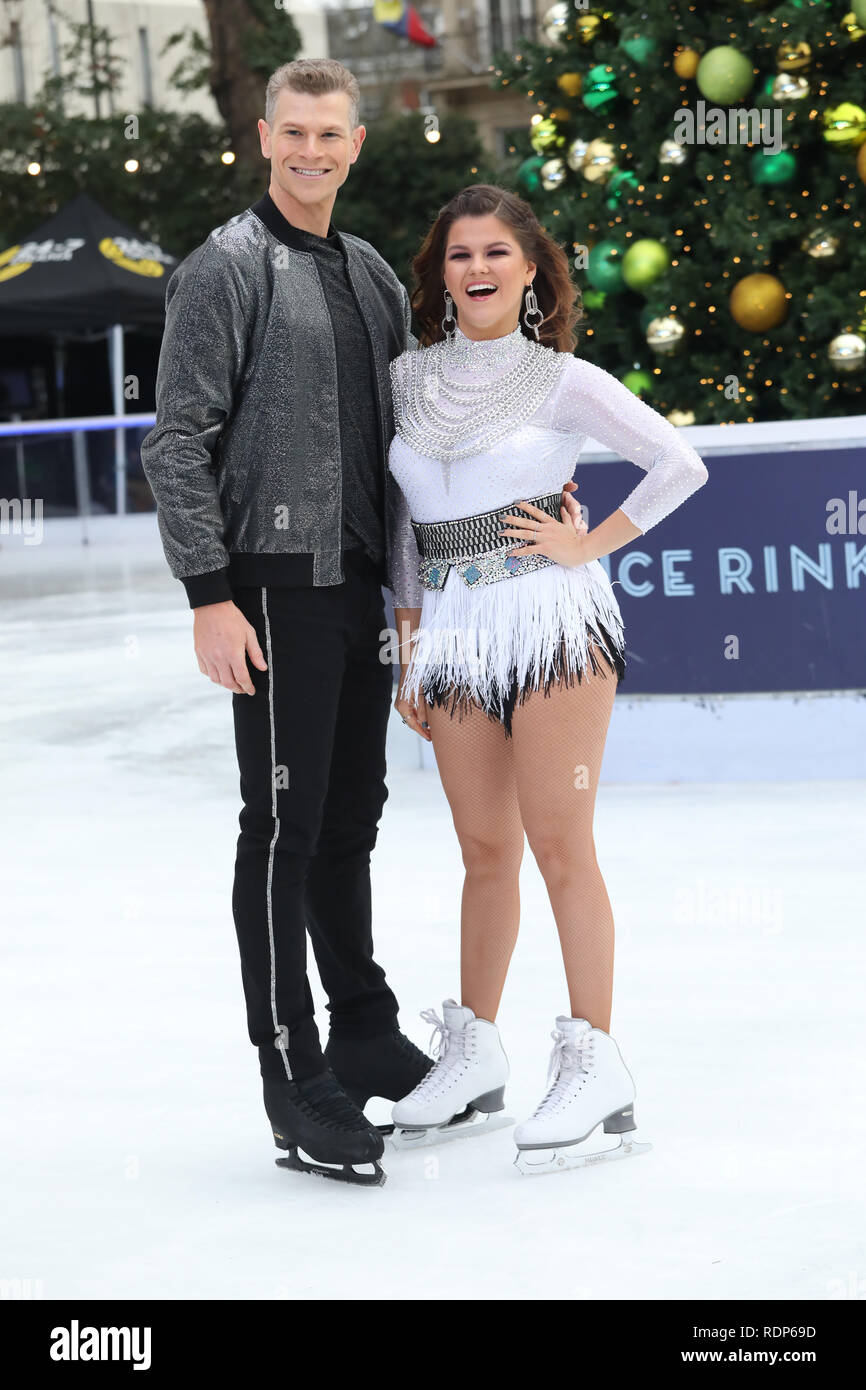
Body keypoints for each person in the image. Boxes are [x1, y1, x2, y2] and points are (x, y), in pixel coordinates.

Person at [140, 60, 587, 1186]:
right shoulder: (224, 270)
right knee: (283, 831)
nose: (310, 151)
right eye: (292, 132)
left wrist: (506, 523)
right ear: (263, 137)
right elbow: (176, 440)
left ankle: (362, 1024)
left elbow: (422, 437)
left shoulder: (377, 274)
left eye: (329, 135)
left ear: (354, 146)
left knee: (350, 819)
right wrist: (208, 593)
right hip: (272, 588)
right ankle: (291, 1076)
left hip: (358, 594)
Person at [387, 184, 709, 1172]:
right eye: (456, 255)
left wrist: (589, 542)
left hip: (549, 622)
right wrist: (406, 638)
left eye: (493, 253)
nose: (474, 269)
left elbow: (676, 463)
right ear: (438, 274)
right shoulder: (404, 379)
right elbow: (401, 520)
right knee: (483, 848)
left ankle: (593, 1056)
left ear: (530, 270)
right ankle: (474, 1050)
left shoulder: (562, 378)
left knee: (559, 842)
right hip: (448, 633)